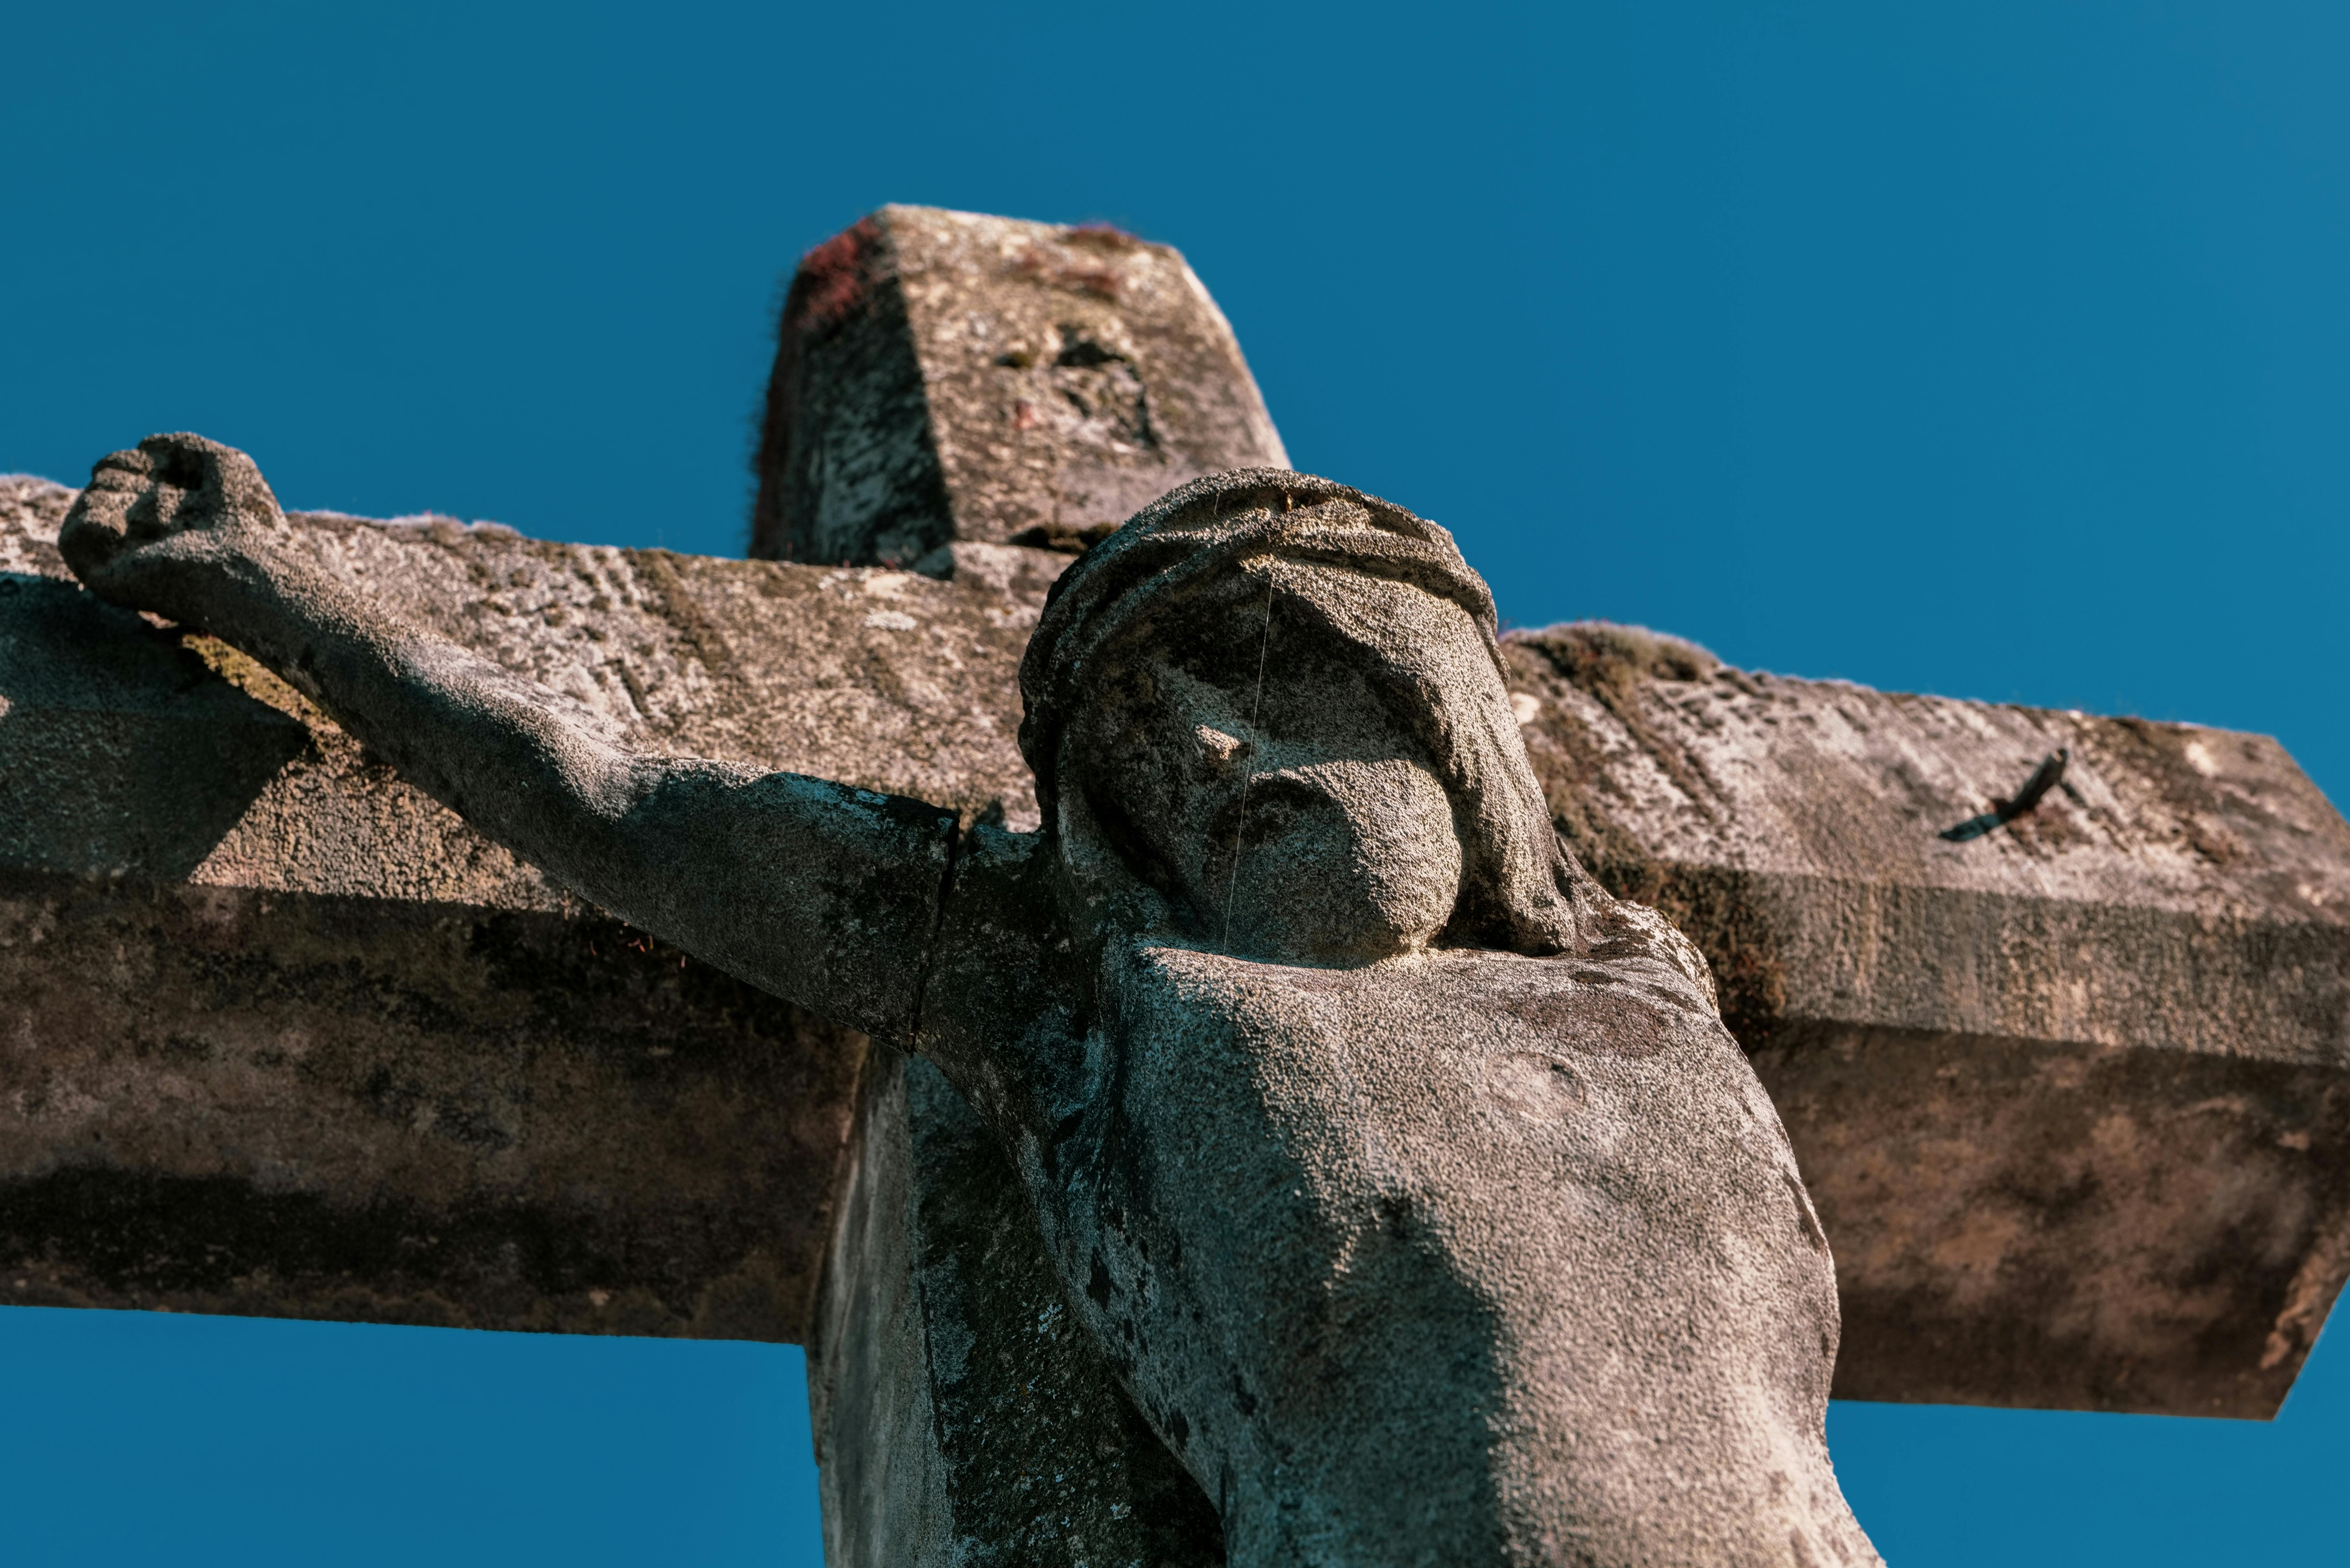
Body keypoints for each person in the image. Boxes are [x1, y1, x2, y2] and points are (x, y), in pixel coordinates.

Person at [64, 433, 1880, 1568]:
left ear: (1432, 703)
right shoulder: (1078, 987)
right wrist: (271, 594)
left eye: (1252, 670)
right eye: (1136, 746)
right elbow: (617, 803)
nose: (1206, 752)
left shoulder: (1644, 979)